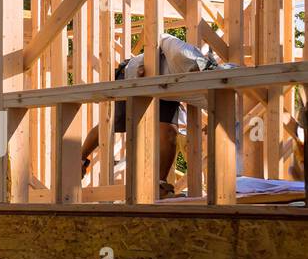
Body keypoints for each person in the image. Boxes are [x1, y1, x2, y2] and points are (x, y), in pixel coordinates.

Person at [80, 34, 229, 192]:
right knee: (117, 123)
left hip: (169, 91)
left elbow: (224, 112)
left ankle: (160, 185)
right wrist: (149, 61)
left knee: (169, 134)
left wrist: (213, 122)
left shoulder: (211, 93)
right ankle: (80, 158)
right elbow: (161, 37)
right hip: (139, 74)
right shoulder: (185, 54)